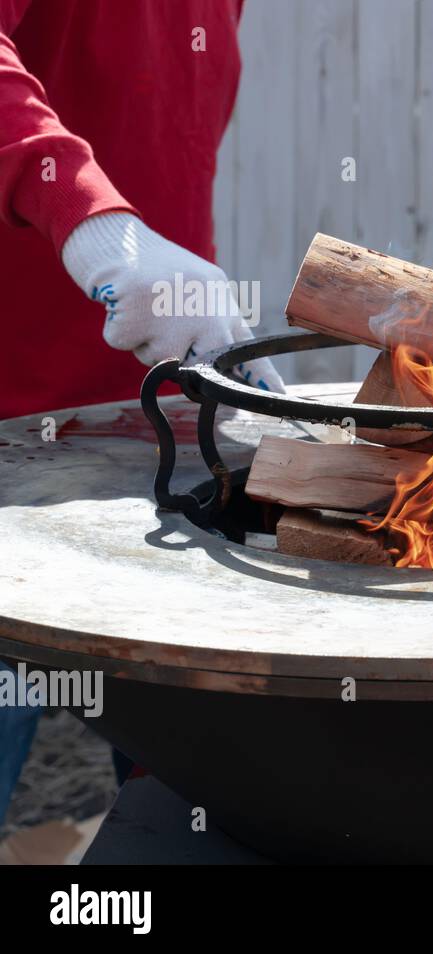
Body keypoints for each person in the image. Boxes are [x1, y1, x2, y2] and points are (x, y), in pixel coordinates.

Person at [0, 0, 282, 825]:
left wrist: (212, 348)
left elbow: (162, 147)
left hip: (156, 446)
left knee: (196, 817)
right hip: (8, 460)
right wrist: (99, 236)